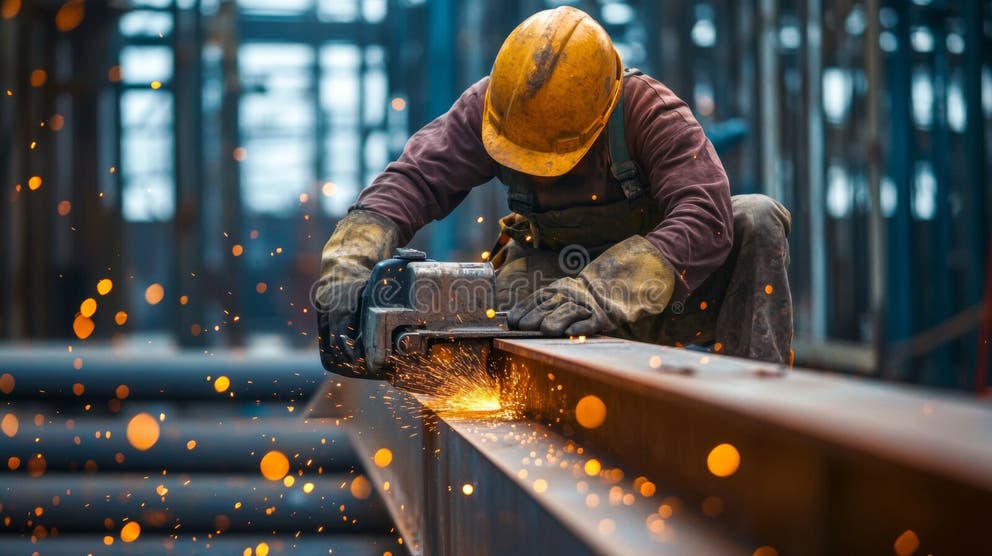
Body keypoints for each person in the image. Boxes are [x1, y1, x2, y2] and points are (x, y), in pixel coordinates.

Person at [316, 6, 792, 377]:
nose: (540, 173)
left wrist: (603, 290)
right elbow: (413, 179)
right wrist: (350, 258)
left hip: (669, 291)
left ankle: (759, 402)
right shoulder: (490, 108)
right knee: (455, 301)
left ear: (600, 116)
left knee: (755, 218)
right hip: (547, 288)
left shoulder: (648, 110)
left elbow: (705, 216)